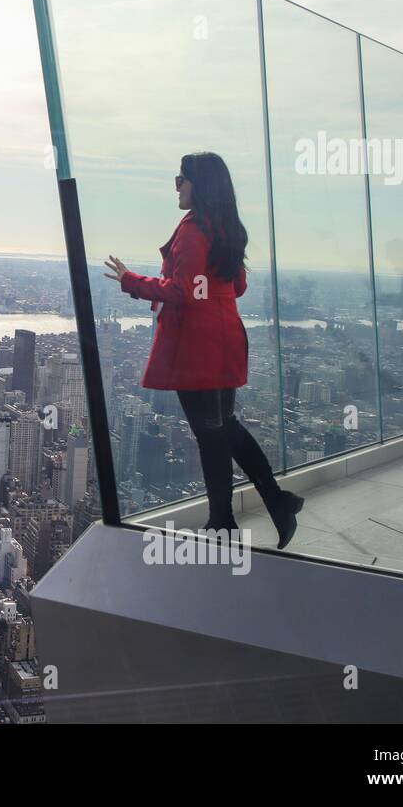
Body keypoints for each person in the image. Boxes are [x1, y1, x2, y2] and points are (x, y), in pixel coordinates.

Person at [104, 151, 303, 549]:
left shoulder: (195, 231)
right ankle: (256, 509)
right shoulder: (225, 227)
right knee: (220, 429)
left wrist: (131, 280)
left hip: (198, 349)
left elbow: (183, 291)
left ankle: (233, 518)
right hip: (225, 340)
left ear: (200, 185)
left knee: (212, 434)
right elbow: (237, 287)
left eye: (182, 178)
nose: (176, 185)